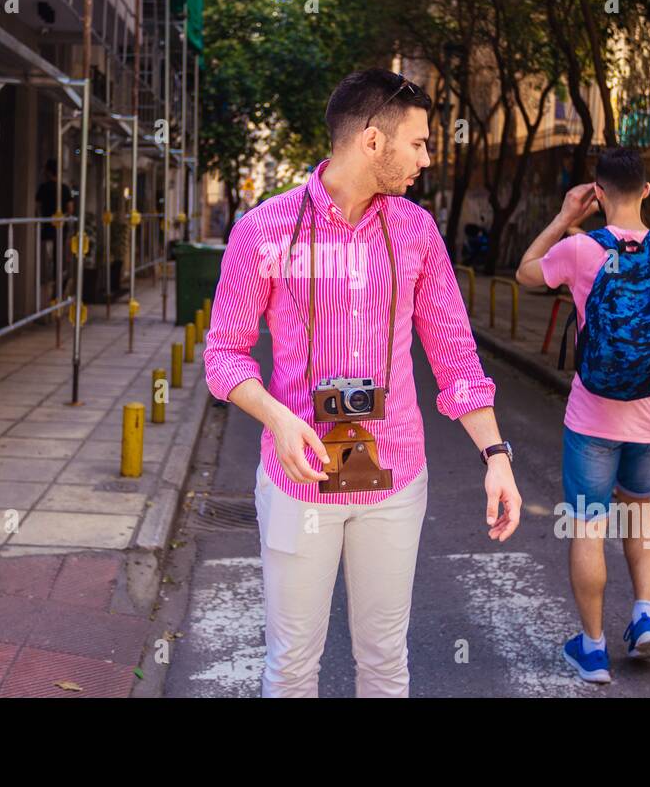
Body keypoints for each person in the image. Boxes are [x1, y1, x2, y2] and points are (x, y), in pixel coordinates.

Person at [204, 69, 521, 698]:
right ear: (372, 141)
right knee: (291, 669)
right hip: (300, 482)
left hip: (395, 481)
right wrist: (278, 418)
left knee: (384, 666)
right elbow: (224, 357)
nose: (427, 159)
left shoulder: (416, 233)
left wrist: (495, 454)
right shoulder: (263, 230)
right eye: (419, 144)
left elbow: (455, 355)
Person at [515, 147, 650, 684]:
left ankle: (592, 650)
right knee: (639, 508)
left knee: (587, 525)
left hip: (592, 416)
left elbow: (523, 274)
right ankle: (644, 615)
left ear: (597, 191)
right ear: (646, 190)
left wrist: (566, 218)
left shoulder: (580, 251)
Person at [36, 157, 75, 312]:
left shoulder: (43, 188)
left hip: (45, 229)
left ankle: (48, 295)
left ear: (47, 171)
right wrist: (61, 217)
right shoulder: (64, 188)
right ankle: (56, 294)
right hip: (60, 230)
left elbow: (37, 207)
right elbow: (70, 209)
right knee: (59, 262)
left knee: (46, 262)